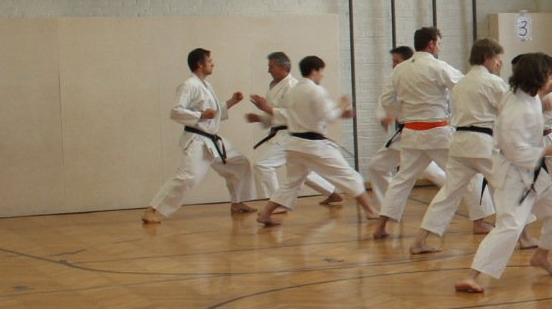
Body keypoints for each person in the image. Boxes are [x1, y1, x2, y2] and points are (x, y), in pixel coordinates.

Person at [457, 53, 552, 294]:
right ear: (538, 76)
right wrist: (547, 150)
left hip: (531, 175)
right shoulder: (517, 109)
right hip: (513, 175)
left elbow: (526, 109)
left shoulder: (523, 96)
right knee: (510, 226)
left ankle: (541, 255)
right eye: (549, 75)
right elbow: (515, 151)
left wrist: (542, 100)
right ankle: (472, 275)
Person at [372, 26, 481, 241]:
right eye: (439, 42)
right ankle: (479, 221)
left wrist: (403, 114)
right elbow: (464, 87)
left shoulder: (400, 69)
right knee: (466, 171)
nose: (439, 46)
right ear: (431, 43)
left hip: (411, 132)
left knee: (402, 180)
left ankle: (381, 226)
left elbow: (386, 100)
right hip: (437, 131)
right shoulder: (438, 66)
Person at [411, 38, 507, 254]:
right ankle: (525, 235)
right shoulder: (493, 82)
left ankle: (420, 240)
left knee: (448, 194)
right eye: (497, 60)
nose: (499, 64)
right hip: (482, 142)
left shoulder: (461, 82)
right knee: (508, 185)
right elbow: (508, 110)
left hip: (460, 143)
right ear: (486, 58)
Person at [256, 57, 379, 224]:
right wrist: (342, 105)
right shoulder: (315, 90)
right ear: (314, 71)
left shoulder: (294, 90)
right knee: (349, 175)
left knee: (292, 183)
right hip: (314, 145)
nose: (322, 75)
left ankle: (265, 213)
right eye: (321, 71)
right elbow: (327, 116)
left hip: (294, 145)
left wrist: (341, 112)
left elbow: (297, 114)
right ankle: (371, 211)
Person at [142, 47, 255, 222]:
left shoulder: (206, 85)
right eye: (210, 61)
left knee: (240, 164)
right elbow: (176, 111)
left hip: (212, 139)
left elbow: (213, 114)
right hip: (198, 140)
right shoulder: (189, 85)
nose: (213, 64)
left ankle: (237, 202)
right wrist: (200, 115)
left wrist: (232, 102)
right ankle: (153, 210)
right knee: (188, 177)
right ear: (199, 64)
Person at [245, 51, 342, 209]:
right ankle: (333, 194)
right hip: (283, 133)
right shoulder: (274, 86)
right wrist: (260, 117)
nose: (268, 70)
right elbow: (276, 115)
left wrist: (267, 108)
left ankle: (276, 203)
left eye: (271, 66)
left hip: (289, 134)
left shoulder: (292, 87)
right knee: (301, 169)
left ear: (283, 67)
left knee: (262, 165)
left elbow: (293, 115)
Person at [363, 45, 448, 204]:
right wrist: (384, 117)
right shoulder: (396, 77)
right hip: (408, 135)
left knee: (436, 173)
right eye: (393, 61)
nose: (393, 64)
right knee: (377, 166)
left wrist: (397, 113)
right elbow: (384, 103)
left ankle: (460, 194)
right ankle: (388, 206)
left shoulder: (418, 77)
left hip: (424, 132)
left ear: (407, 61)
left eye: (396, 61)